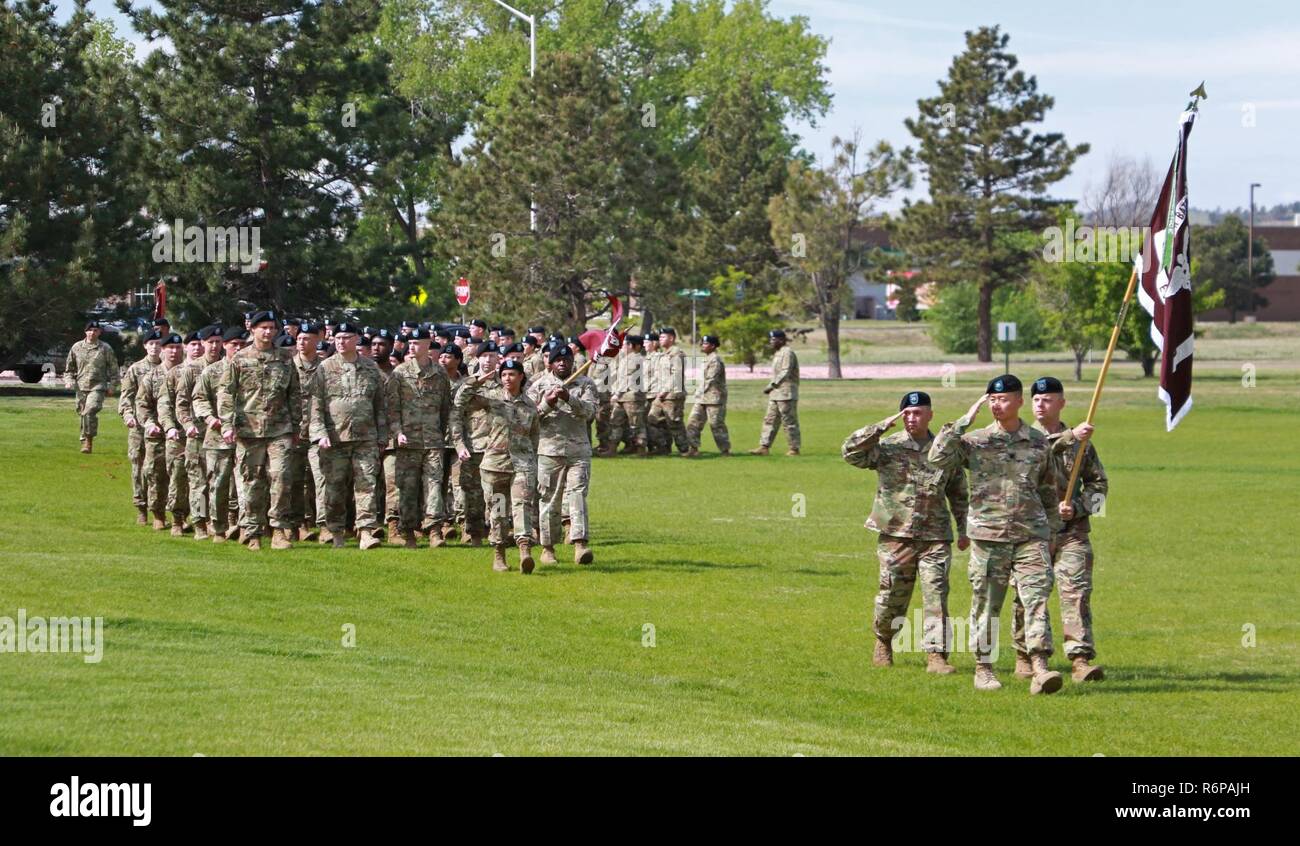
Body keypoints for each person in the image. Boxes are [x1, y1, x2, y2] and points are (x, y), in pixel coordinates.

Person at [927, 375, 1064, 695]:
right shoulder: (975, 441)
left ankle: (1040, 665)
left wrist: (1053, 532)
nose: (996, 404)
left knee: (1036, 600)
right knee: (987, 605)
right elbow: (936, 458)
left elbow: (1048, 491)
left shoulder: (1038, 441)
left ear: (1019, 401)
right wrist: (961, 422)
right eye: (991, 399)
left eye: (1003, 399)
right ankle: (984, 667)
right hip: (989, 537)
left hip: (1031, 535)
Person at [842, 391, 969, 674]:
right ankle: (883, 641)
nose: (912, 418)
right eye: (907, 414)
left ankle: (936, 657)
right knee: (892, 595)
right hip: (895, 534)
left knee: (936, 594)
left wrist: (963, 529)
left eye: (918, 412)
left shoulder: (944, 450)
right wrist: (880, 427)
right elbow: (850, 452)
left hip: (935, 535)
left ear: (930, 415)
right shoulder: (888, 447)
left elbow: (959, 493)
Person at [1013, 376, 1108, 683]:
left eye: (1048, 400)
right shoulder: (1023, 438)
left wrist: (1078, 507)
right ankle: (1025, 655)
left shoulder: (1082, 444)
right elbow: (1035, 460)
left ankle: (1080, 660)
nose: (1041, 405)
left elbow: (1099, 485)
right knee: (1027, 597)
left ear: (1061, 403)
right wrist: (1069, 435)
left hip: (1071, 532)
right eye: (1037, 400)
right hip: (1032, 533)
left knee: (1076, 592)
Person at [218, 310, 303, 551]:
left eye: (271, 328)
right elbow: (226, 393)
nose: (268, 332)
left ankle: (278, 529)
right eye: (263, 327)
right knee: (252, 481)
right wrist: (227, 424)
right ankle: (253, 530)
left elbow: (294, 394)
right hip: (249, 431)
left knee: (281, 477)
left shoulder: (285, 359)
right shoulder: (240, 359)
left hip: (280, 429)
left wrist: (296, 425)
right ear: (253, 330)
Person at [308, 322, 388, 550]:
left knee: (366, 486)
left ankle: (365, 532)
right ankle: (337, 534)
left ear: (356, 339)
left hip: (366, 438)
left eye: (346, 337)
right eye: (338, 338)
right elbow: (316, 405)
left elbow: (380, 405)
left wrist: (382, 436)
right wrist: (319, 433)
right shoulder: (324, 368)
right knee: (334, 488)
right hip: (334, 439)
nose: (341, 342)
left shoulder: (371, 369)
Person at [455, 357, 539, 573]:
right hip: (495, 467)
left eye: (512, 374)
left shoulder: (530, 405)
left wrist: (531, 459)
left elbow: (534, 436)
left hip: (522, 465)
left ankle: (524, 551)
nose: (507, 378)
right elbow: (461, 400)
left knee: (522, 507)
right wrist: (476, 380)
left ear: (521, 376)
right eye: (503, 375)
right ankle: (499, 553)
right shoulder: (492, 399)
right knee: (498, 511)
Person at [527, 344, 598, 565]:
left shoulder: (586, 384)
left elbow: (590, 412)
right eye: (558, 360)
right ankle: (547, 548)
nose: (562, 363)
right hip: (549, 452)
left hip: (579, 451)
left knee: (577, 495)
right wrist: (546, 404)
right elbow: (528, 419)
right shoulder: (538, 386)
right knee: (549, 499)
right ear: (550, 363)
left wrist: (569, 398)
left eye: (566, 360)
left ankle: (580, 544)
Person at [386, 328, 453, 548]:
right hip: (408, 442)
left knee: (433, 485)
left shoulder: (440, 373)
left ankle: (434, 530)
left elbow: (445, 408)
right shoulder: (399, 373)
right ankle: (408, 533)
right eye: (409, 343)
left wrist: (440, 432)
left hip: (433, 440)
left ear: (428, 344)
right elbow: (393, 409)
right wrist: (398, 432)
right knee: (407, 487)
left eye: (416, 342)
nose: (411, 346)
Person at [192, 326, 246, 542]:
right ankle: (215, 526)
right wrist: (209, 418)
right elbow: (198, 399)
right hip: (216, 438)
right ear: (226, 345)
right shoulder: (211, 371)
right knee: (216, 484)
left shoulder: (250, 368)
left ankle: (243, 526)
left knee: (244, 484)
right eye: (234, 344)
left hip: (246, 436)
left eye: (242, 345)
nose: (239, 348)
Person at [169, 327, 222, 539]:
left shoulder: (227, 367)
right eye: (211, 342)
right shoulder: (191, 370)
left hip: (220, 436)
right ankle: (199, 523)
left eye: (218, 341)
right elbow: (181, 404)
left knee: (218, 482)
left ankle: (216, 521)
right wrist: (188, 425)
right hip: (198, 436)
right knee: (198, 483)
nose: (214, 346)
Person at [449, 342, 498, 546]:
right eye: (484, 356)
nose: (488, 360)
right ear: (477, 359)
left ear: (498, 358)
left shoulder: (505, 382)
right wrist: (459, 444)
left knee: (497, 494)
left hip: (498, 448)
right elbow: (456, 416)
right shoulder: (466, 385)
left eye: (492, 355)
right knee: (472, 494)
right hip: (474, 446)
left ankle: (498, 531)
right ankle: (473, 533)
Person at [137, 333, 185, 532]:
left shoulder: (188, 372)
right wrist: (148, 423)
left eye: (177, 348)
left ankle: (182, 515)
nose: (174, 352)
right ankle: (157, 513)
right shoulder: (152, 376)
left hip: (182, 434)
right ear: (163, 350)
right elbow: (142, 404)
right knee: (157, 474)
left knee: (183, 476)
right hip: (157, 435)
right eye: (169, 348)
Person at [119, 328, 165, 524]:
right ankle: (141, 507)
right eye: (151, 344)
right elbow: (126, 398)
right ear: (145, 346)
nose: (155, 347)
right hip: (139, 427)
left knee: (158, 469)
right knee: (139, 468)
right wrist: (128, 416)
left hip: (163, 426)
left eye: (158, 343)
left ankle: (160, 509)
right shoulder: (135, 369)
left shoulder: (169, 367)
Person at [65, 320, 119, 453]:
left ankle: (88, 441)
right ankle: (84, 438)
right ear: (85, 332)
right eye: (90, 330)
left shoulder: (105, 348)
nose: (92, 333)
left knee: (90, 411)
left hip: (98, 386)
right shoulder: (76, 347)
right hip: (81, 386)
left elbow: (113, 368)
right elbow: (69, 369)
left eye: (95, 330)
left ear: (100, 332)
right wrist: (68, 380)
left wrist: (113, 385)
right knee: (82, 413)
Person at [291, 323, 324, 542]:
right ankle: (298, 524)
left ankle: (324, 525)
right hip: (294, 431)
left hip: (319, 432)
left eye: (307, 338)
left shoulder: (326, 367)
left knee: (321, 479)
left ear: (317, 341)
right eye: (299, 338)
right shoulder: (288, 365)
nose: (302, 342)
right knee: (294, 480)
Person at [750, 329, 800, 456]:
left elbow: (785, 371)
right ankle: (764, 447)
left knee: (788, 421)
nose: (771, 342)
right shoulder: (778, 353)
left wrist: (772, 385)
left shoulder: (787, 353)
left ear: (781, 340)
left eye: (773, 339)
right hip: (776, 394)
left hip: (786, 393)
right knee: (769, 420)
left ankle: (794, 448)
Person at [685, 334, 729, 456]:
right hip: (702, 398)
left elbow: (711, 379)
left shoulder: (715, 360)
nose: (702, 346)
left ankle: (725, 450)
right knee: (693, 422)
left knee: (716, 424)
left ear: (713, 346)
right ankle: (693, 449)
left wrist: (697, 392)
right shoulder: (707, 359)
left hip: (714, 398)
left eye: (705, 344)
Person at [606, 334, 647, 456]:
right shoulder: (626, 358)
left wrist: (617, 394)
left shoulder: (636, 358)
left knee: (636, 424)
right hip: (623, 397)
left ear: (636, 346)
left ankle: (641, 450)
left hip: (632, 397)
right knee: (615, 422)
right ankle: (612, 449)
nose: (624, 346)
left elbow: (627, 379)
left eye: (627, 344)